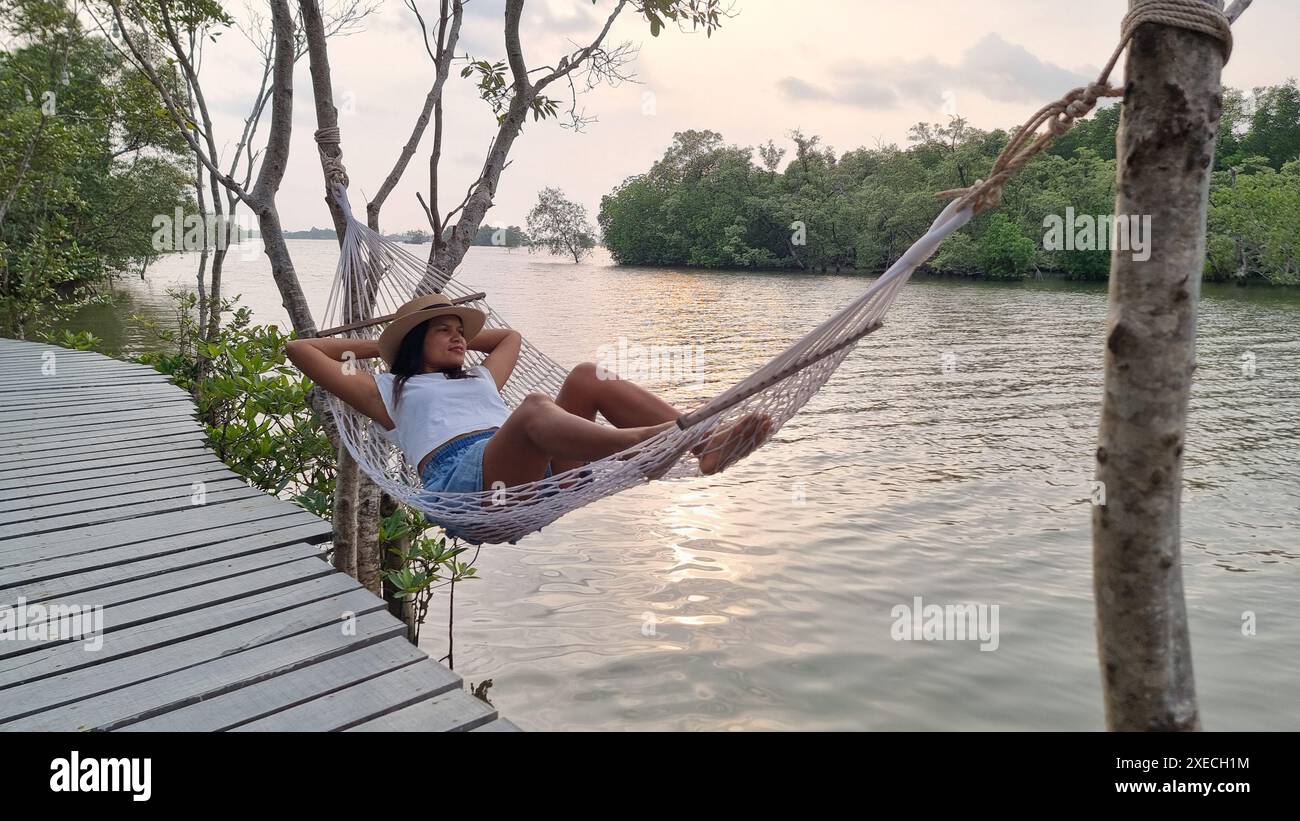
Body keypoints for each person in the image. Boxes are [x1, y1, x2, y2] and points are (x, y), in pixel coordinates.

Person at [284, 294, 772, 502]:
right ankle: (645, 442)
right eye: (444, 332)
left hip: (536, 471)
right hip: (467, 487)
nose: (459, 339)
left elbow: (508, 337)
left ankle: (701, 445)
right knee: (537, 407)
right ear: (413, 342)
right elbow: (299, 349)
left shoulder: (478, 380)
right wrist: (392, 340)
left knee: (586, 376)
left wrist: (449, 334)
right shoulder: (389, 390)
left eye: (461, 332)